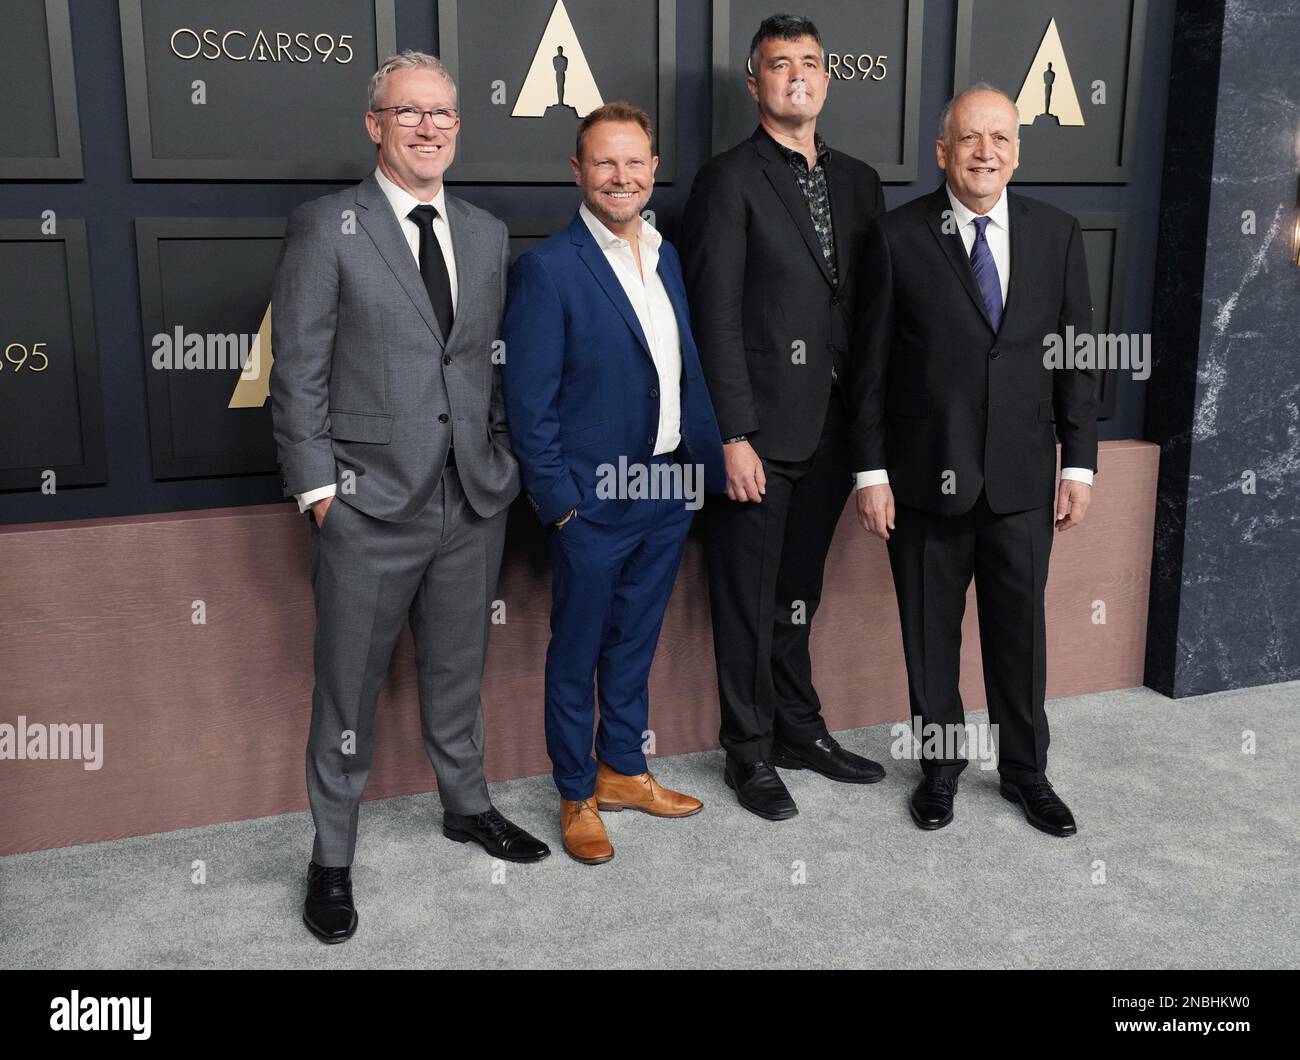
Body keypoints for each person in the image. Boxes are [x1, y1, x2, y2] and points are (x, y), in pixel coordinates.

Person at [270, 50, 548, 944]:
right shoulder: (327, 225)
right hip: (365, 503)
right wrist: (320, 493)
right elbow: (299, 372)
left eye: (443, 115)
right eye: (410, 112)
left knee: (457, 669)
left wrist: (497, 460)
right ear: (376, 124)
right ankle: (333, 859)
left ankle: (466, 808)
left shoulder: (485, 231)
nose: (429, 127)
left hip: (471, 497)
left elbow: (484, 365)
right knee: (346, 691)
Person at [851, 84, 1098, 836]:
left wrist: (1079, 462)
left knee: (1020, 638)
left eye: (999, 139)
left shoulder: (1057, 233)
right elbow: (869, 368)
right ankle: (940, 771)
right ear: (942, 151)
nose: (984, 152)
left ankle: (1026, 772)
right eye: (969, 139)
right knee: (930, 637)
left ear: (1016, 152)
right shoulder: (896, 237)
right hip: (925, 479)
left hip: (1024, 480)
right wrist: (870, 472)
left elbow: (1075, 357)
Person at [502, 102, 726, 864]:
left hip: (666, 489)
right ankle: (575, 793)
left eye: (634, 163)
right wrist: (562, 507)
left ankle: (623, 769)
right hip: (592, 502)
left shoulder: (665, 255)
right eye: (604, 162)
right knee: (578, 653)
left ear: (653, 170)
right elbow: (528, 406)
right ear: (578, 172)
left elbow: (681, 367)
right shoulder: (547, 270)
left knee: (635, 643)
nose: (620, 177)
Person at [681, 14, 887, 821]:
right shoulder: (727, 181)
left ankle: (800, 728)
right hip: (759, 435)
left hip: (837, 431)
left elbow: (870, 315)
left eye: (809, 63)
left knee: (799, 591)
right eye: (779, 64)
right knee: (744, 596)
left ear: (827, 79)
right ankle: (748, 751)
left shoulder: (862, 182)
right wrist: (732, 433)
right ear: (755, 83)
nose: (796, 75)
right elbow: (715, 318)